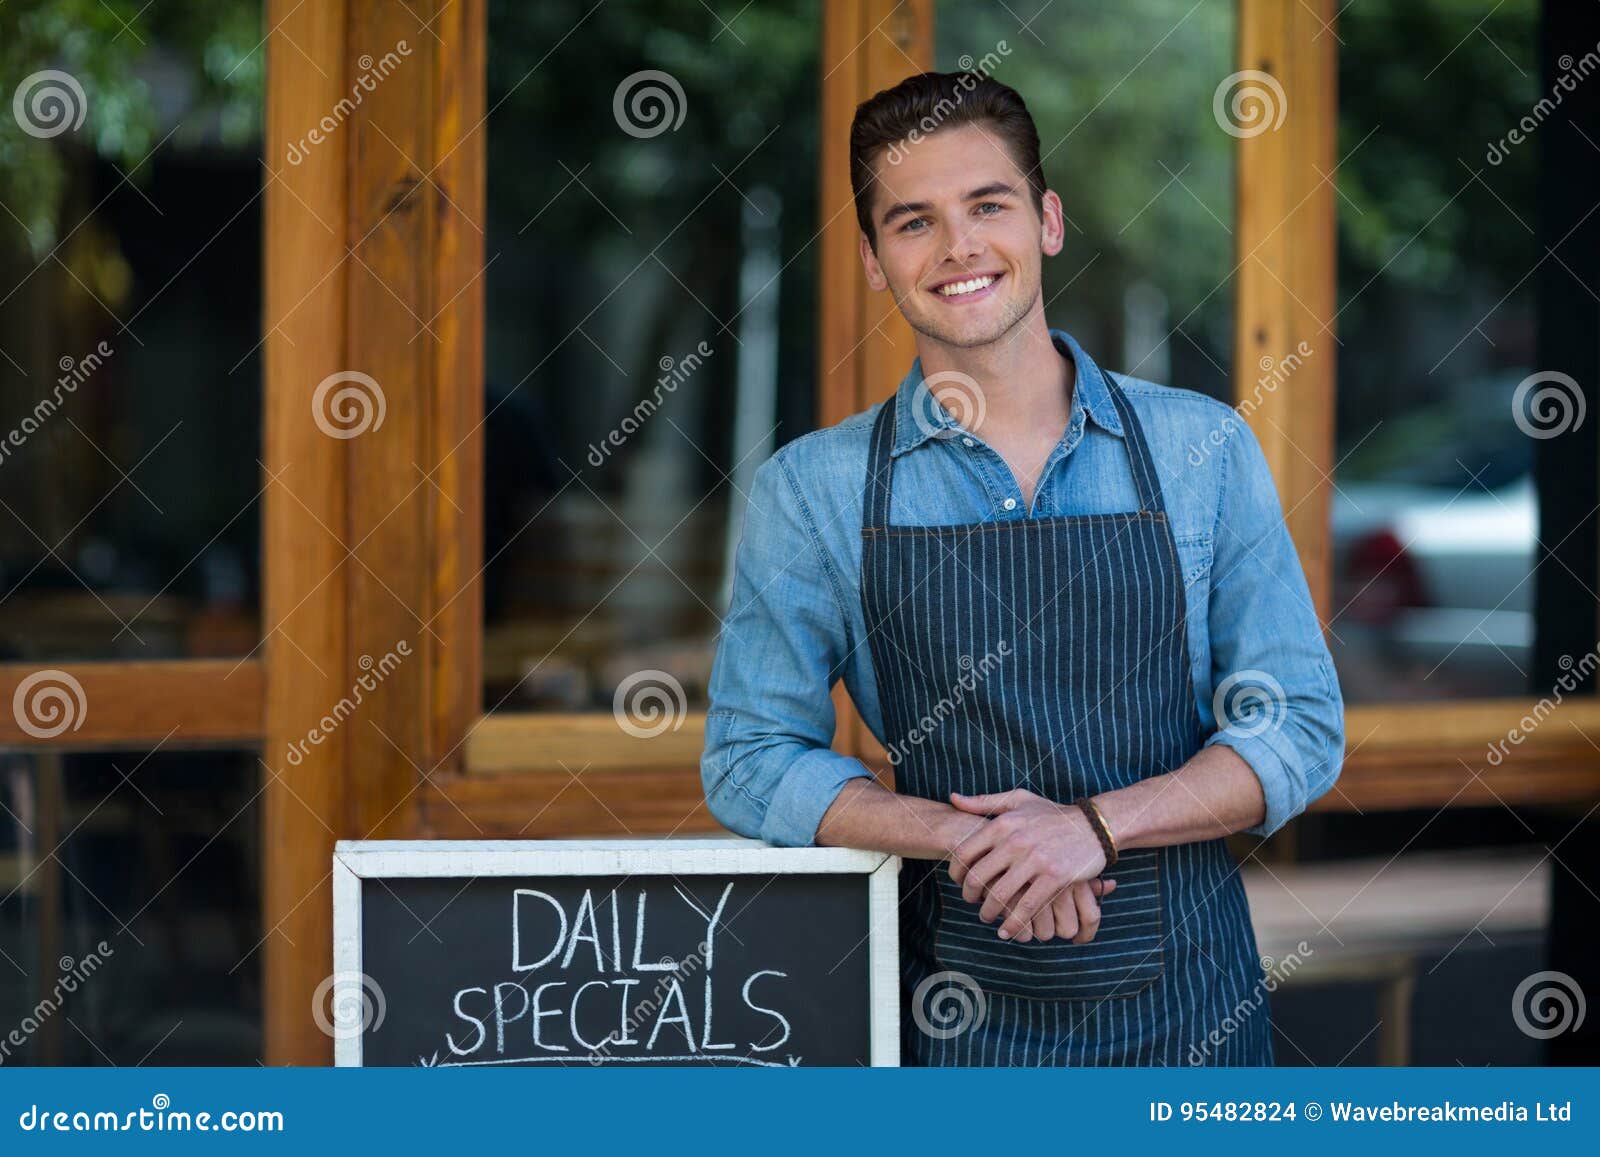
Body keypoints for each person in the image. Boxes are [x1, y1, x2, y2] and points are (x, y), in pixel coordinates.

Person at [700, 70, 1345, 1066]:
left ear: (1046, 220)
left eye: (987, 205)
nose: (958, 248)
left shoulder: (1200, 448)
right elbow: (749, 758)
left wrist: (1092, 825)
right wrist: (966, 837)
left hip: (1192, 1012)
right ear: (873, 260)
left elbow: (1296, 726)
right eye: (913, 222)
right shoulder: (813, 489)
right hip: (947, 1017)